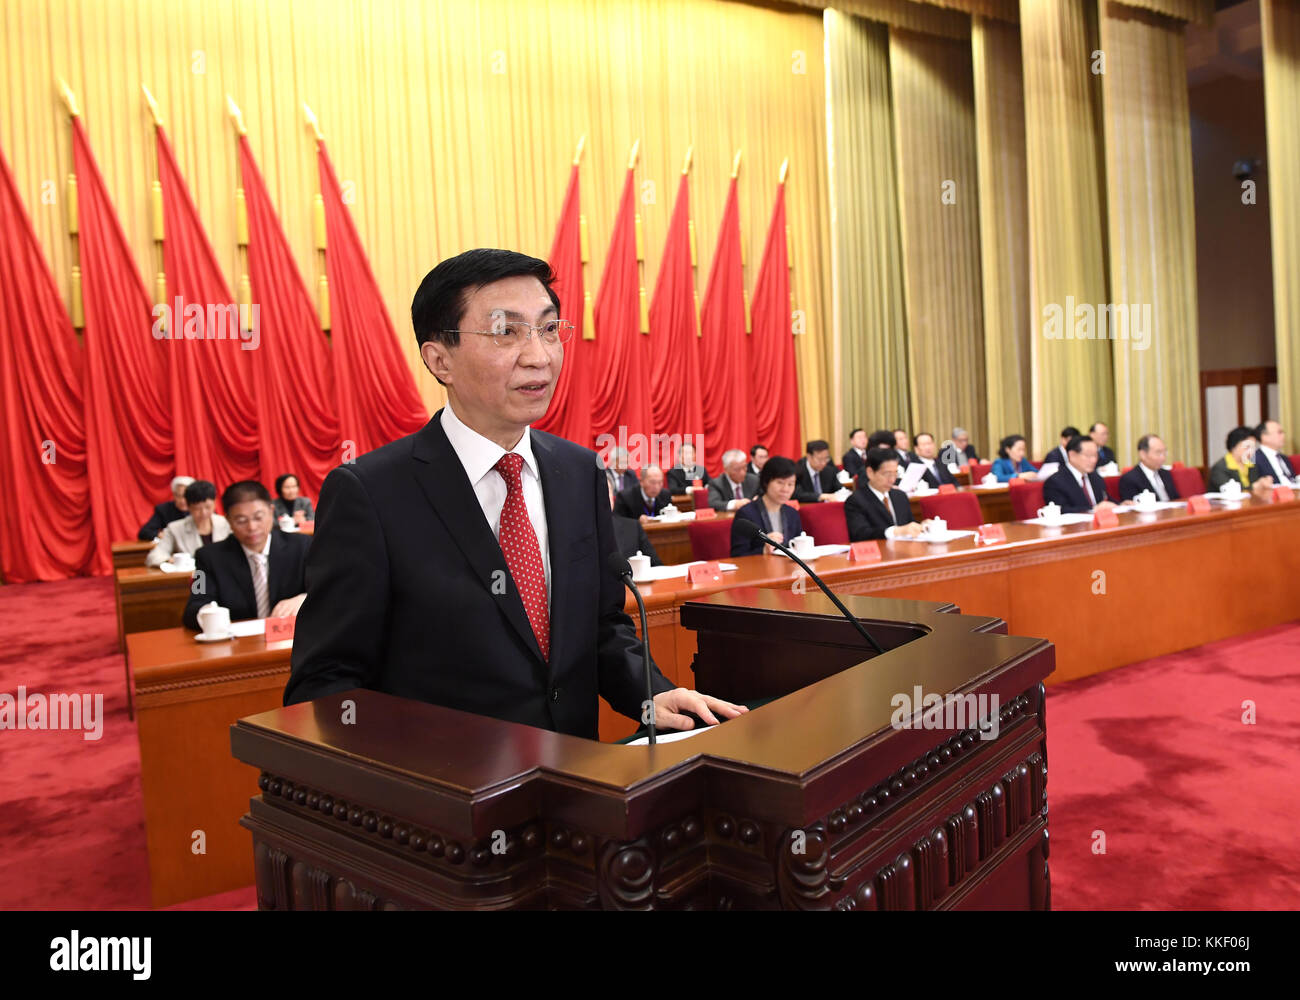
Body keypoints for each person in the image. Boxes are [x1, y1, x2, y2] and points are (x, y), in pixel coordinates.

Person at [284, 248, 744, 738]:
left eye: (548, 329)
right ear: (440, 360)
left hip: (577, 780)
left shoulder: (578, 471)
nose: (538, 355)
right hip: (450, 797)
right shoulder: (370, 494)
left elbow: (600, 625)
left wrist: (649, 694)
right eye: (506, 331)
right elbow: (325, 683)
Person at [182, 481, 311, 629]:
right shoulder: (206, 557)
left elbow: (327, 589)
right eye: (241, 521)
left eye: (258, 517)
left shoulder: (302, 546)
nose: (252, 527)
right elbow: (193, 608)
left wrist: (304, 598)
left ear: (271, 511)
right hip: (238, 644)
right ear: (228, 520)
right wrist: (209, 614)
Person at [846, 447, 925, 541]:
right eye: (887, 474)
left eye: (895, 473)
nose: (892, 479)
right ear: (870, 472)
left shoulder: (900, 496)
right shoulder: (856, 500)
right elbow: (861, 534)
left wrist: (922, 526)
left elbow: (909, 524)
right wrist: (895, 532)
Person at [146, 480, 229, 567]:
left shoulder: (226, 524)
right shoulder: (175, 528)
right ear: (188, 507)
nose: (203, 513)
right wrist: (170, 560)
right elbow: (153, 557)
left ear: (215, 503)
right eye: (197, 509)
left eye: (208, 507)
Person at [730, 456, 802, 556]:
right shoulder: (746, 514)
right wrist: (763, 550)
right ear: (766, 482)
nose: (785, 489)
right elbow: (737, 555)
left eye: (790, 484)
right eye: (780, 483)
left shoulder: (792, 514)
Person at [1041, 436, 1119, 515]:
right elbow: (1061, 510)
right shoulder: (1055, 482)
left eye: (1095, 455)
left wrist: (1121, 505)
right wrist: (1093, 509)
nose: (1094, 460)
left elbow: (1105, 499)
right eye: (1088, 455)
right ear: (1072, 455)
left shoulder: (1095, 477)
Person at [608, 481, 661, 567]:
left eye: (607, 491)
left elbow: (656, 564)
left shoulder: (633, 527)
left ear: (612, 497)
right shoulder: (579, 533)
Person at [1207, 426, 1271, 495]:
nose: (1251, 451)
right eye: (1247, 447)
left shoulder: (1251, 465)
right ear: (1234, 446)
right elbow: (1230, 491)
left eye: (1253, 447)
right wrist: (1254, 486)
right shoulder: (1220, 468)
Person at [1118, 435, 1180, 501]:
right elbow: (1132, 507)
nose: (1163, 458)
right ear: (1143, 455)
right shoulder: (1130, 479)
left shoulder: (1166, 474)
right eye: (1158, 453)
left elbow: (1176, 499)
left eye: (1164, 453)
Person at [137, 476, 194, 541]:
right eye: (178, 496)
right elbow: (144, 532)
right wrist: (160, 534)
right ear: (174, 495)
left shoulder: (199, 509)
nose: (182, 501)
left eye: (185, 496)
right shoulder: (164, 510)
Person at [1250, 420, 1297, 487]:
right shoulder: (1254, 458)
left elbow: (1292, 479)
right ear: (1264, 437)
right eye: (1279, 432)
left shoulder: (1283, 458)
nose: (1283, 435)